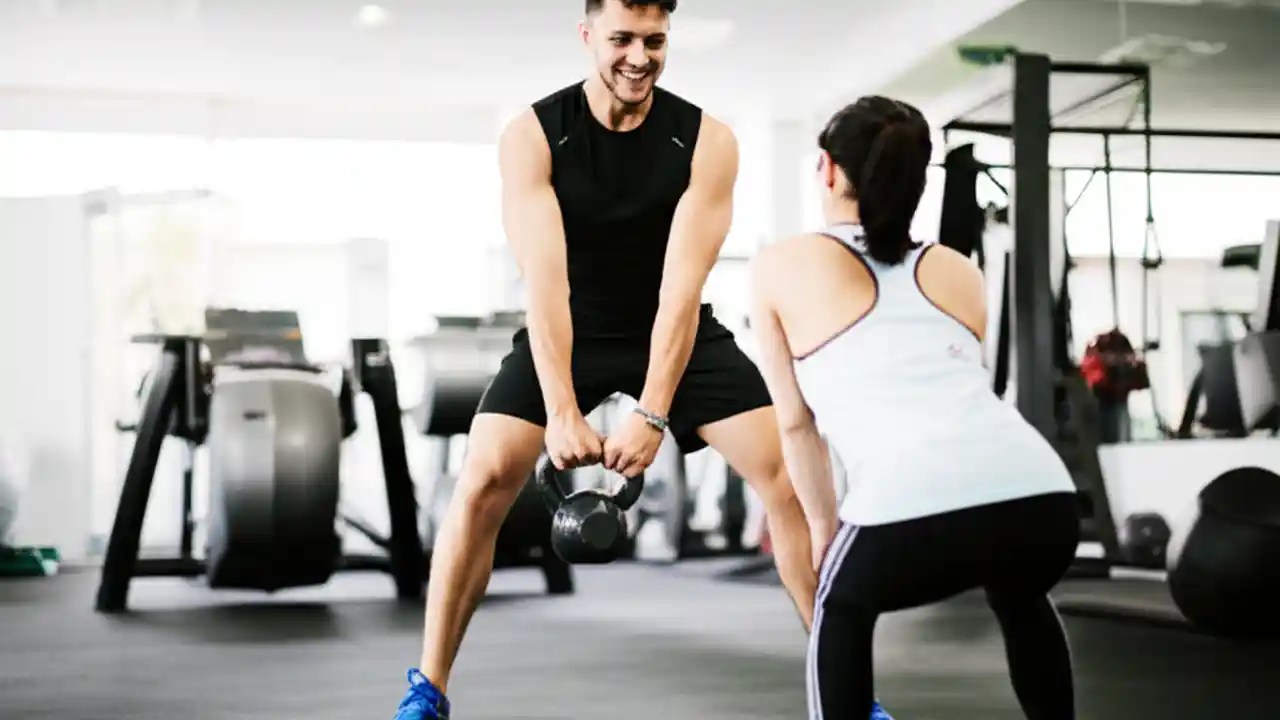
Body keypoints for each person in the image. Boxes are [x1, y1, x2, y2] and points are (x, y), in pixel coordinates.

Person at [392, 1, 819, 717]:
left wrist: (653, 412)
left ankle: (847, 691)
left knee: (789, 478)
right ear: (587, 36)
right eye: (621, 39)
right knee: (483, 479)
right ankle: (427, 691)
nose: (639, 57)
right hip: (569, 323)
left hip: (672, 328)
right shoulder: (533, 134)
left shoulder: (706, 140)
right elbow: (545, 282)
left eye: (655, 41)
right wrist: (560, 408)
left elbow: (681, 290)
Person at [748, 96, 1080, 720]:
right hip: (1043, 502)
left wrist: (826, 531)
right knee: (1019, 593)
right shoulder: (959, 270)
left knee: (838, 607)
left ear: (826, 168)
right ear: (917, 177)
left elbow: (796, 422)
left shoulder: (779, 265)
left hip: (912, 507)